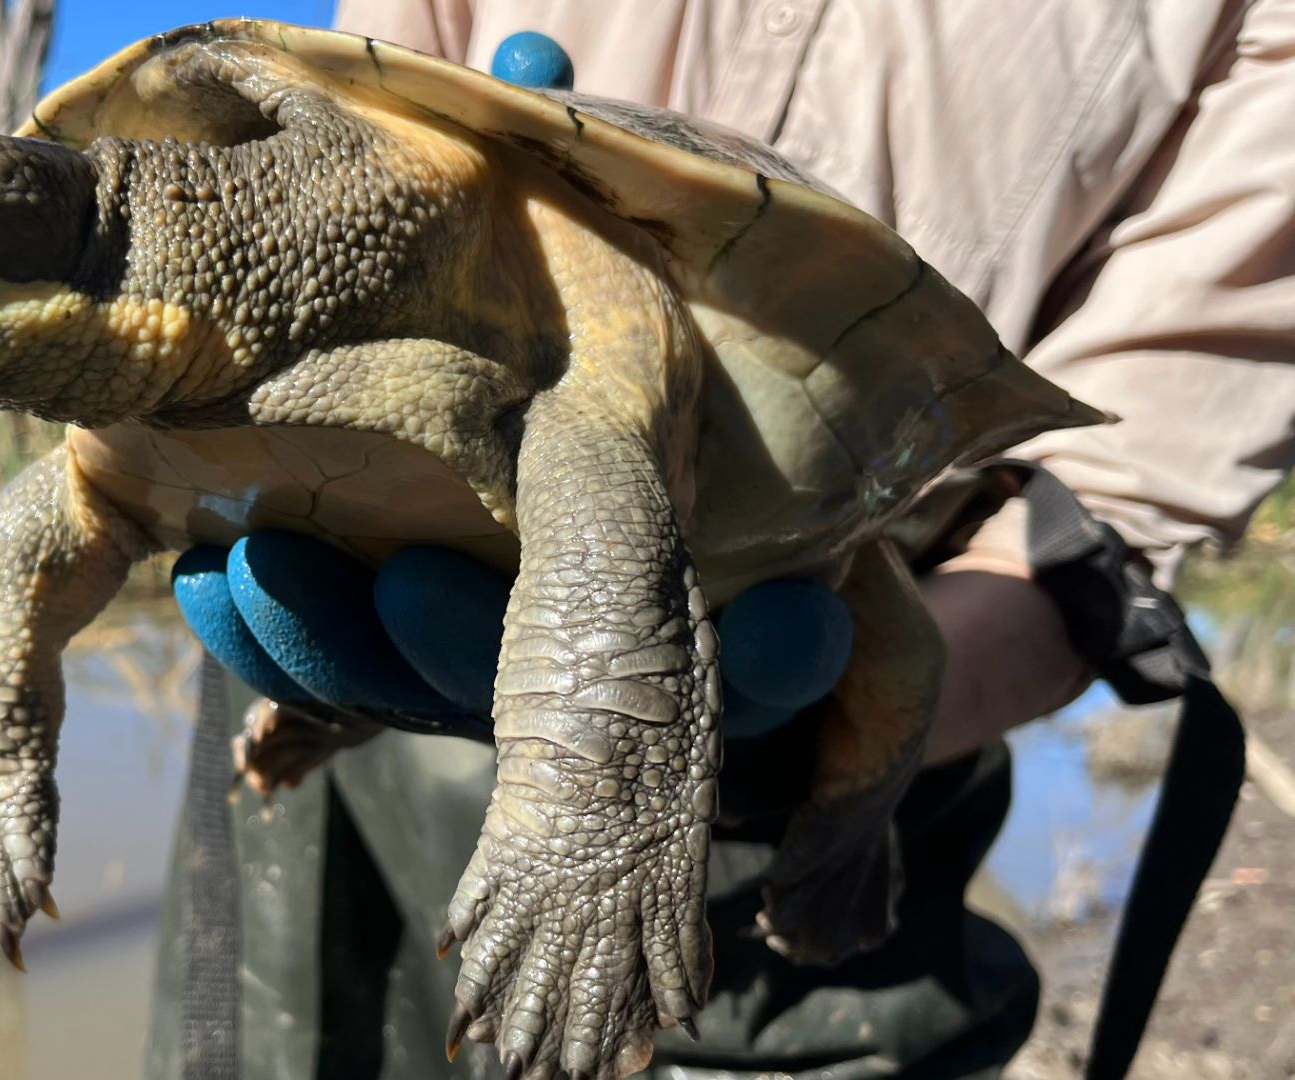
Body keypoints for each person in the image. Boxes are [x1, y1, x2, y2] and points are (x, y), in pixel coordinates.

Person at [145, 2, 1295, 1077]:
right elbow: (346, 149)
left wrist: (828, 775)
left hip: (808, 622)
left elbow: (1108, 506)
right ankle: (320, 717)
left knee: (836, 766)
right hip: (385, 535)